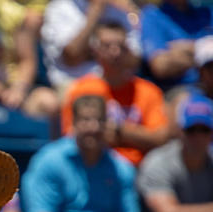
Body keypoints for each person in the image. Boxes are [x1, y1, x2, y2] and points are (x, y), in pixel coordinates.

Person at [22, 94, 141, 212]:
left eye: (99, 120)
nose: (93, 127)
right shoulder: (50, 160)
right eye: (86, 120)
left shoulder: (121, 168)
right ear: (74, 123)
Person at [61, 21, 171, 167]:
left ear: (129, 51)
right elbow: (71, 135)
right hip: (95, 168)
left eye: (121, 47)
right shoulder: (83, 89)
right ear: (96, 51)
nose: (115, 52)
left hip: (141, 169)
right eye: (107, 46)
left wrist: (120, 131)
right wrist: (137, 136)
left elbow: (160, 138)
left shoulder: (148, 91)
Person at [136, 94, 213, 212]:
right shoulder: (159, 162)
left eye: (204, 130)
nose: (198, 137)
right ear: (180, 131)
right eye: (191, 130)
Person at [41, 0, 141, 94]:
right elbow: (71, 57)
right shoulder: (60, 8)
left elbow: (135, 60)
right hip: (73, 85)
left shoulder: (120, 9)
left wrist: (114, 47)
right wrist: (96, 10)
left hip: (118, 83)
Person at [141, 0, 213, 91]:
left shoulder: (207, 13)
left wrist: (196, 48)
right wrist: (207, 50)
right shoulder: (152, 16)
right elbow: (161, 66)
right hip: (182, 89)